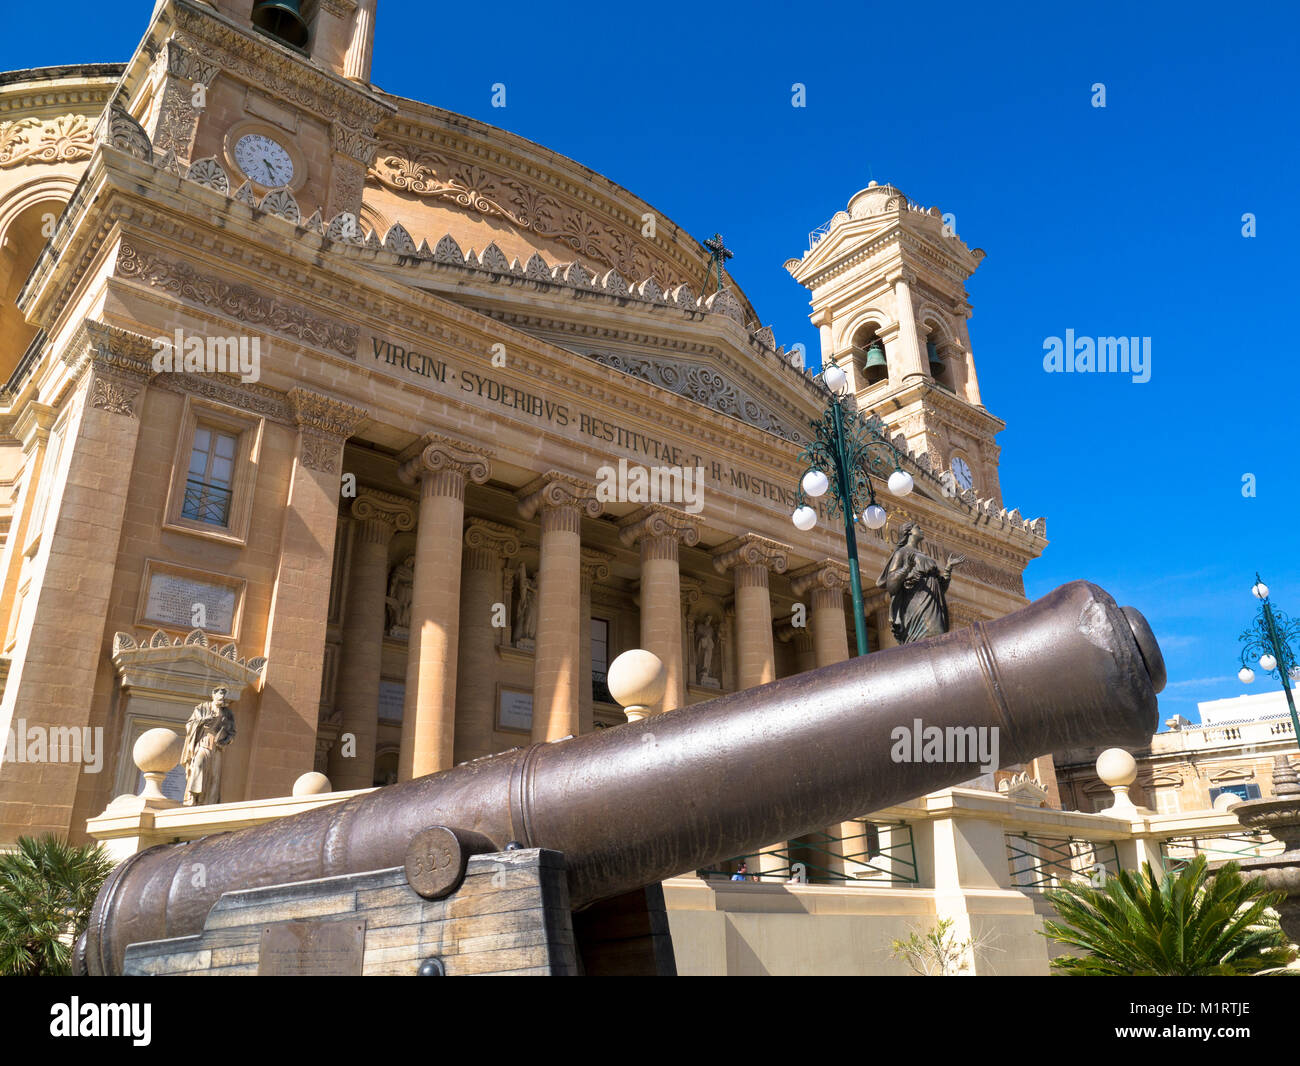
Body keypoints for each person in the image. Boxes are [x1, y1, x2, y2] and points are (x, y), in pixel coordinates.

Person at [875, 521, 964, 644]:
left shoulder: (924, 556)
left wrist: (948, 568)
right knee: (927, 640)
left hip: (933, 606)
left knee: (939, 639)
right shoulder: (902, 553)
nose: (922, 530)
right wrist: (906, 568)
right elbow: (891, 584)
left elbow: (939, 589)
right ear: (909, 532)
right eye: (918, 528)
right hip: (918, 605)